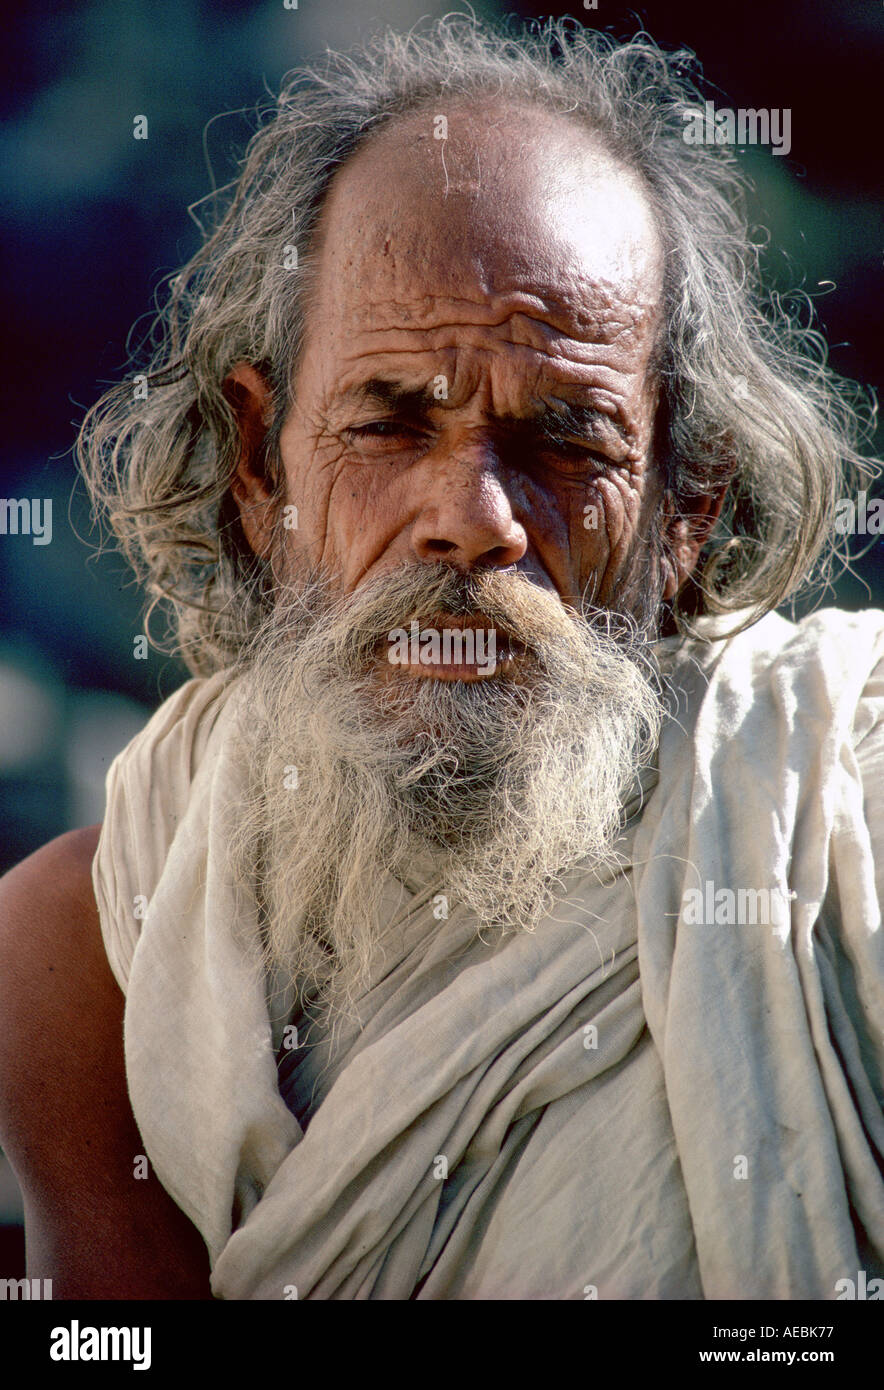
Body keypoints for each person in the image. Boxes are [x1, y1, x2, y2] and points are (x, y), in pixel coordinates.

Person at [1, 16, 882, 1300]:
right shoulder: (89, 948)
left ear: (687, 502)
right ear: (259, 468)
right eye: (388, 419)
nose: (471, 517)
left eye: (565, 439)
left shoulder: (828, 819)